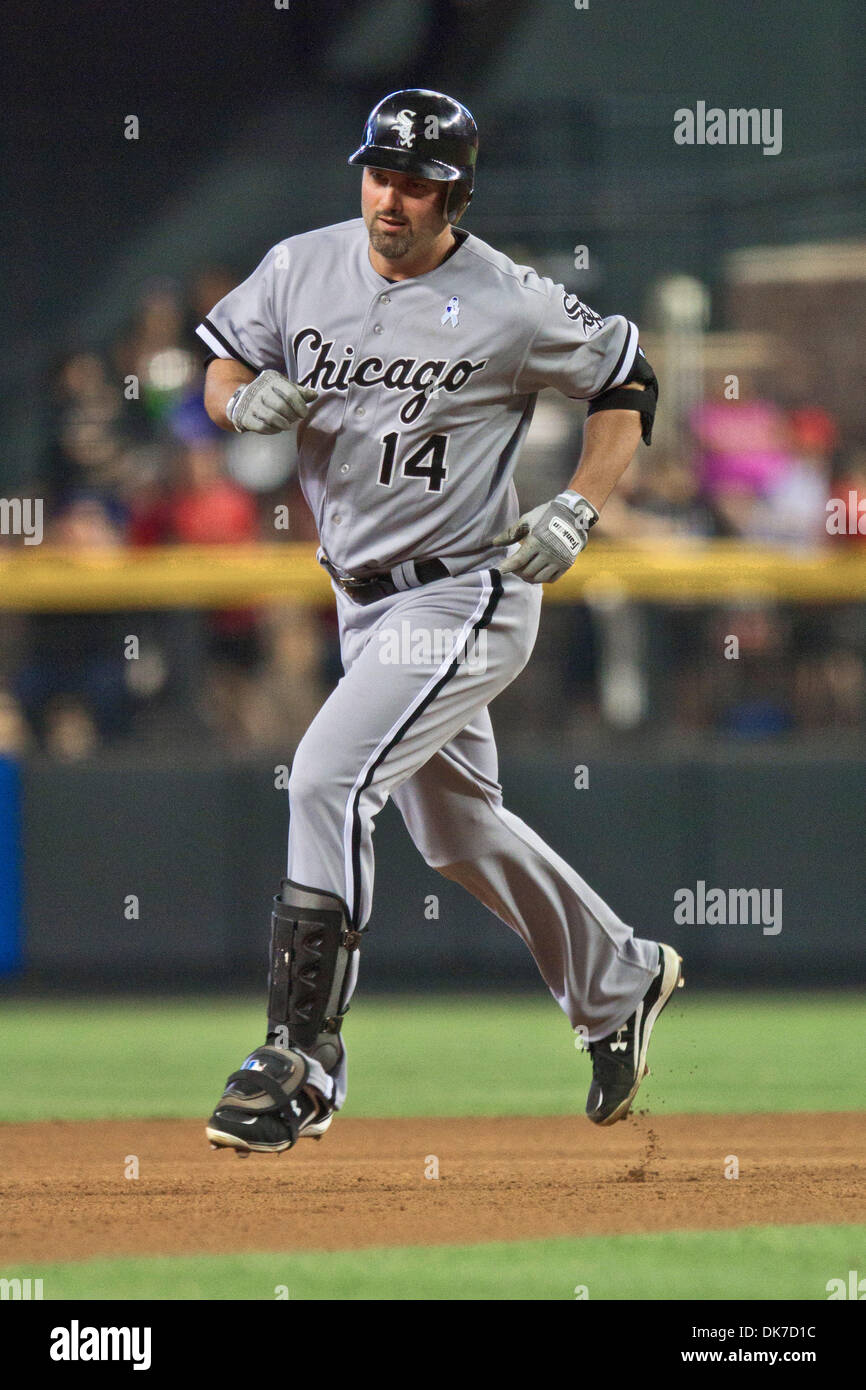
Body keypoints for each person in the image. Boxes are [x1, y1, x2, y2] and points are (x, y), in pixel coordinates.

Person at [196, 89, 681, 1155]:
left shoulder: (506, 297)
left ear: (455, 195)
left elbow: (626, 377)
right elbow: (220, 363)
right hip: (356, 598)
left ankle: (301, 1055)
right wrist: (236, 402)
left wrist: (579, 503)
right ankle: (618, 977)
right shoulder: (300, 265)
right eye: (378, 172)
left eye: (415, 182)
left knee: (328, 774)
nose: (390, 197)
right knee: (455, 830)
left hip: (464, 589)